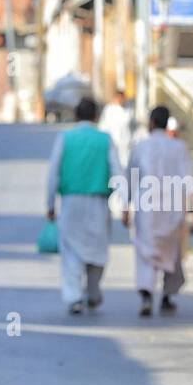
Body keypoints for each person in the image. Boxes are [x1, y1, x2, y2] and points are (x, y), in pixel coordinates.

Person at [46, 96, 124, 315]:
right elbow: (117, 172)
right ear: (97, 116)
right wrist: (126, 203)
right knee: (97, 251)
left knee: (71, 252)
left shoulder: (65, 139)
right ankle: (93, 290)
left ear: (76, 115)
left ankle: (74, 297)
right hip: (99, 204)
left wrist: (50, 204)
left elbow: (53, 174)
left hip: (71, 203)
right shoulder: (105, 140)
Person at [125, 105, 193, 317]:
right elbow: (189, 180)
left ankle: (146, 294)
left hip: (146, 210)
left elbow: (129, 179)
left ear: (151, 123)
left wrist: (125, 207)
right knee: (172, 253)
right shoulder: (179, 147)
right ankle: (167, 295)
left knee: (145, 252)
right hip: (173, 210)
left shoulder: (140, 147)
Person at [98, 89, 133, 166]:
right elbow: (103, 126)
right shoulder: (108, 109)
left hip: (124, 145)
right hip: (112, 142)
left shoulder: (127, 111)